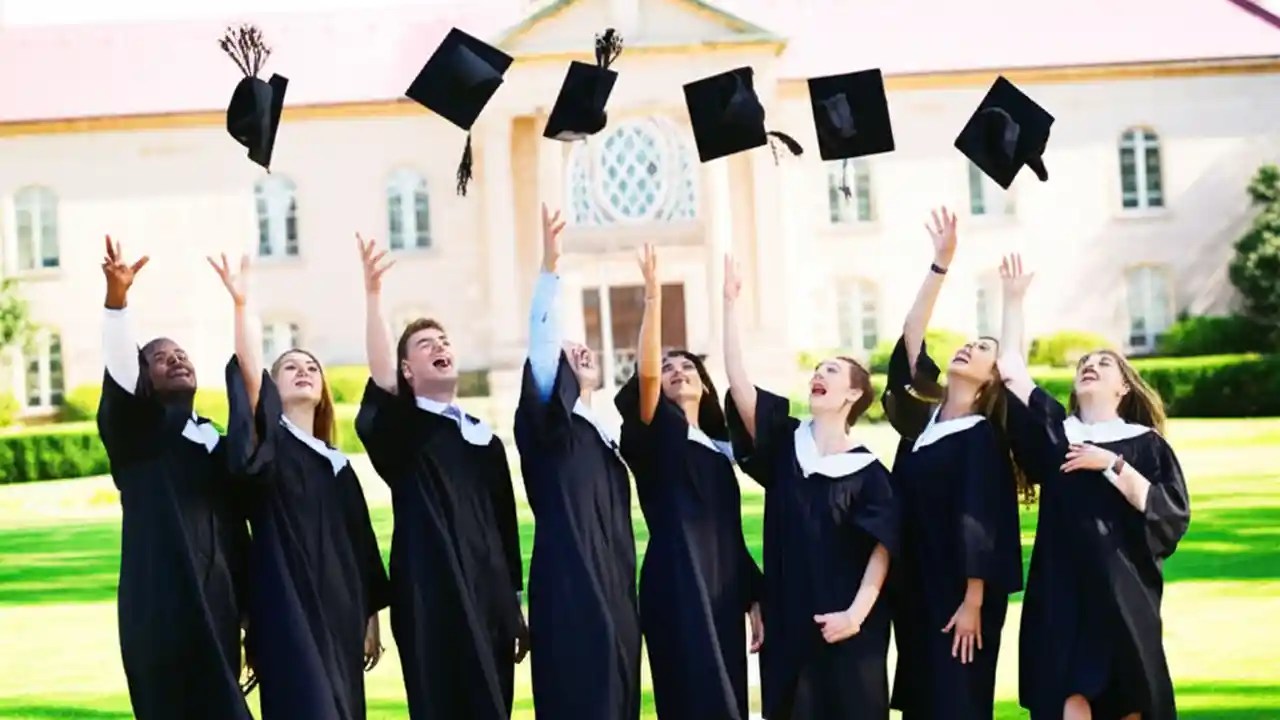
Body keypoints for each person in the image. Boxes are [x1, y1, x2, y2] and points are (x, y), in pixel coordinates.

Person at [996, 253, 1191, 720]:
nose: (1091, 366)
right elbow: (1010, 369)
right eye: (1086, 362)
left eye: (1105, 364)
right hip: (1060, 590)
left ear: (1124, 387)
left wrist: (1111, 463)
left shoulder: (1146, 446)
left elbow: (1169, 514)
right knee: (1068, 698)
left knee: (1130, 701)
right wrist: (1013, 298)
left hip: (1123, 589)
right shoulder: (1056, 433)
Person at [207, 253, 391, 720]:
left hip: (342, 613)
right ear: (271, 387)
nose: (304, 370)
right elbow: (248, 376)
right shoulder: (267, 446)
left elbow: (361, 546)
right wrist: (242, 306)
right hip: (286, 609)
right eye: (289, 366)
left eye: (312, 366)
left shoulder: (338, 465)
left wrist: (370, 615)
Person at [353, 234, 528, 720]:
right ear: (409, 370)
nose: (440, 347)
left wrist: (513, 603)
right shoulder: (404, 431)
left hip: (490, 596)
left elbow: (505, 526)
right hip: (431, 594)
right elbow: (382, 380)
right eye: (425, 345)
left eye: (444, 341)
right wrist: (373, 298)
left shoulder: (482, 439)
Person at [721, 254, 898, 720]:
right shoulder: (785, 444)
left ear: (854, 394)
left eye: (832, 372)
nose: (819, 375)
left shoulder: (870, 473)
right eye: (817, 369)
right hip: (789, 626)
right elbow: (740, 387)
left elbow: (883, 550)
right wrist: (729, 307)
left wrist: (855, 617)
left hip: (847, 630)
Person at [880, 209, 1028, 719]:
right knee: (923, 705)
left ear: (994, 377)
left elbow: (982, 523)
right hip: (918, 588)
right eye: (969, 342)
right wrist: (940, 265)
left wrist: (973, 602)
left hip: (961, 596)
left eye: (984, 348)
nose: (969, 347)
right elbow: (909, 342)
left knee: (956, 705)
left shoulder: (983, 437)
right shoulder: (923, 422)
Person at [96, 236, 252, 720]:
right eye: (160, 358)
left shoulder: (217, 445)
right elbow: (121, 368)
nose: (176, 359)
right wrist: (118, 302)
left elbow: (238, 534)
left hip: (219, 610)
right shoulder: (137, 432)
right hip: (160, 613)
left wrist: (251, 614)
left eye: (181, 353)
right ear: (143, 380)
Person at [613, 243, 764, 720]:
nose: (678, 373)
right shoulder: (656, 432)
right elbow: (649, 375)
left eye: (689, 368)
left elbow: (729, 531)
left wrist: (752, 595)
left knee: (729, 698)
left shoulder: (719, 453)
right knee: (691, 697)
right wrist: (653, 300)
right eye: (670, 369)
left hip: (721, 588)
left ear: (704, 383)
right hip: (677, 581)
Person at [514, 205, 642, 720]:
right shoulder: (550, 426)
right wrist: (552, 267)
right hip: (569, 578)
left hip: (615, 579)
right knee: (580, 691)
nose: (581, 350)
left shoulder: (605, 432)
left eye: (585, 347)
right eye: (572, 350)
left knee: (619, 687)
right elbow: (543, 344)